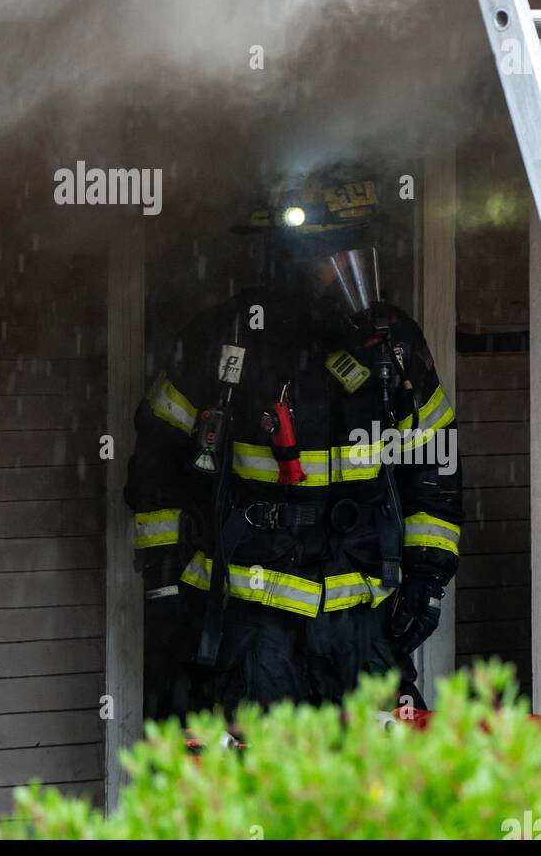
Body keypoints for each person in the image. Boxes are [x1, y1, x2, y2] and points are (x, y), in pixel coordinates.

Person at [125, 172, 462, 721]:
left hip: (362, 621)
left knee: (378, 787)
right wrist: (166, 584)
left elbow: (436, 467)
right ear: (287, 262)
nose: (351, 279)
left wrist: (426, 582)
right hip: (254, 626)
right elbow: (156, 463)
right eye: (334, 262)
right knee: (260, 783)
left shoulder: (394, 348)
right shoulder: (225, 339)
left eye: (358, 259)